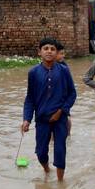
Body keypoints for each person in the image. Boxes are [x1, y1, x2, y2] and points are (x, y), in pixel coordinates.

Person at [21, 38, 77, 179]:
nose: (49, 51)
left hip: (60, 118)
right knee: (40, 152)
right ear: (39, 52)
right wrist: (26, 119)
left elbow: (72, 93)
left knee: (60, 150)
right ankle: (46, 170)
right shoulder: (33, 73)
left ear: (57, 52)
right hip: (42, 119)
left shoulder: (64, 71)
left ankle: (60, 182)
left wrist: (61, 111)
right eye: (45, 48)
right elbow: (30, 98)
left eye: (52, 49)